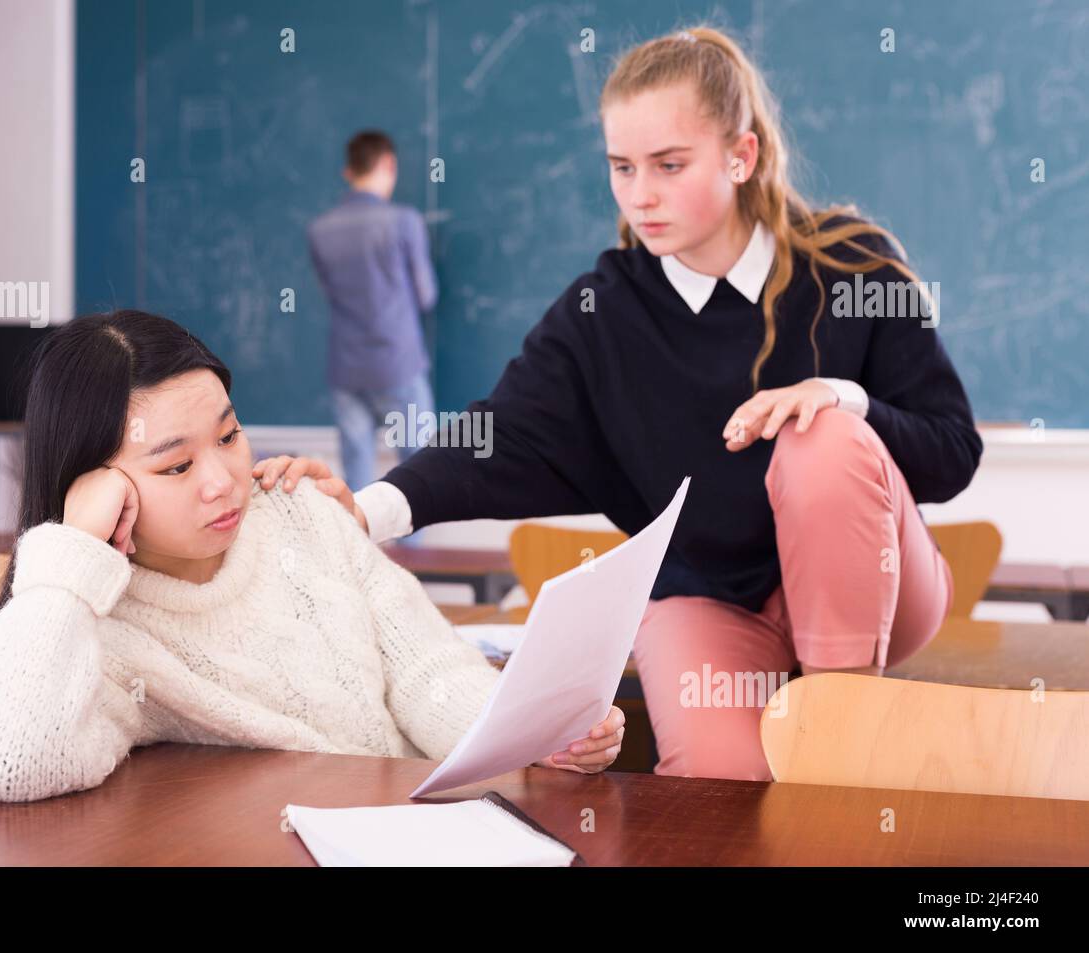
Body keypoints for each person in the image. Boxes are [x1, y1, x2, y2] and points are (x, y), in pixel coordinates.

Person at [255, 26, 982, 783]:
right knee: (716, 798)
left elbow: (951, 453)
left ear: (742, 156)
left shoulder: (854, 262)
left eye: (670, 165)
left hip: (880, 596)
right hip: (711, 603)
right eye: (622, 167)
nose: (641, 195)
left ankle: (843, 725)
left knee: (819, 437)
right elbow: (499, 433)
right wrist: (366, 511)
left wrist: (840, 395)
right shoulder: (604, 309)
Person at [0, 311, 623, 803]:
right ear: (93, 486)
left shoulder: (301, 514)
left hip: (415, 831)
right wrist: (73, 557)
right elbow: (9, 765)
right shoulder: (99, 632)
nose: (222, 479)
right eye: (174, 468)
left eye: (229, 436)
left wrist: (529, 730)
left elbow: (424, 671)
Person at [307, 130, 438, 493]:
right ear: (388, 164)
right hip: (399, 361)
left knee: (357, 475)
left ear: (348, 172)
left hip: (347, 367)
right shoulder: (404, 222)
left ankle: (358, 548)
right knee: (419, 473)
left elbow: (330, 291)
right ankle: (415, 551)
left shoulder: (320, 229)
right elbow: (426, 296)